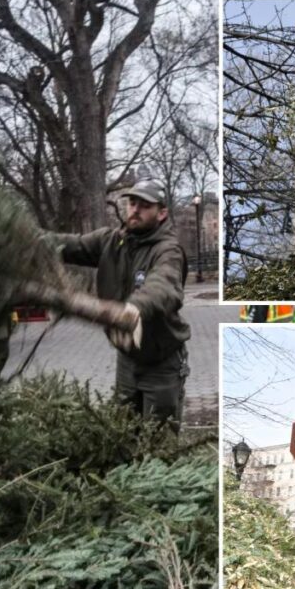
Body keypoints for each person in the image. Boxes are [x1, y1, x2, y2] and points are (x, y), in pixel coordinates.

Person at [52, 178, 191, 430]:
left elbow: (164, 285)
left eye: (144, 205)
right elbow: (68, 244)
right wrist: (25, 238)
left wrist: (134, 307)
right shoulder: (111, 241)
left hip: (162, 364)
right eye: (132, 202)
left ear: (161, 213)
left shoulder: (168, 250)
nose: (135, 209)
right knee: (124, 433)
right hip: (127, 360)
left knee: (159, 441)